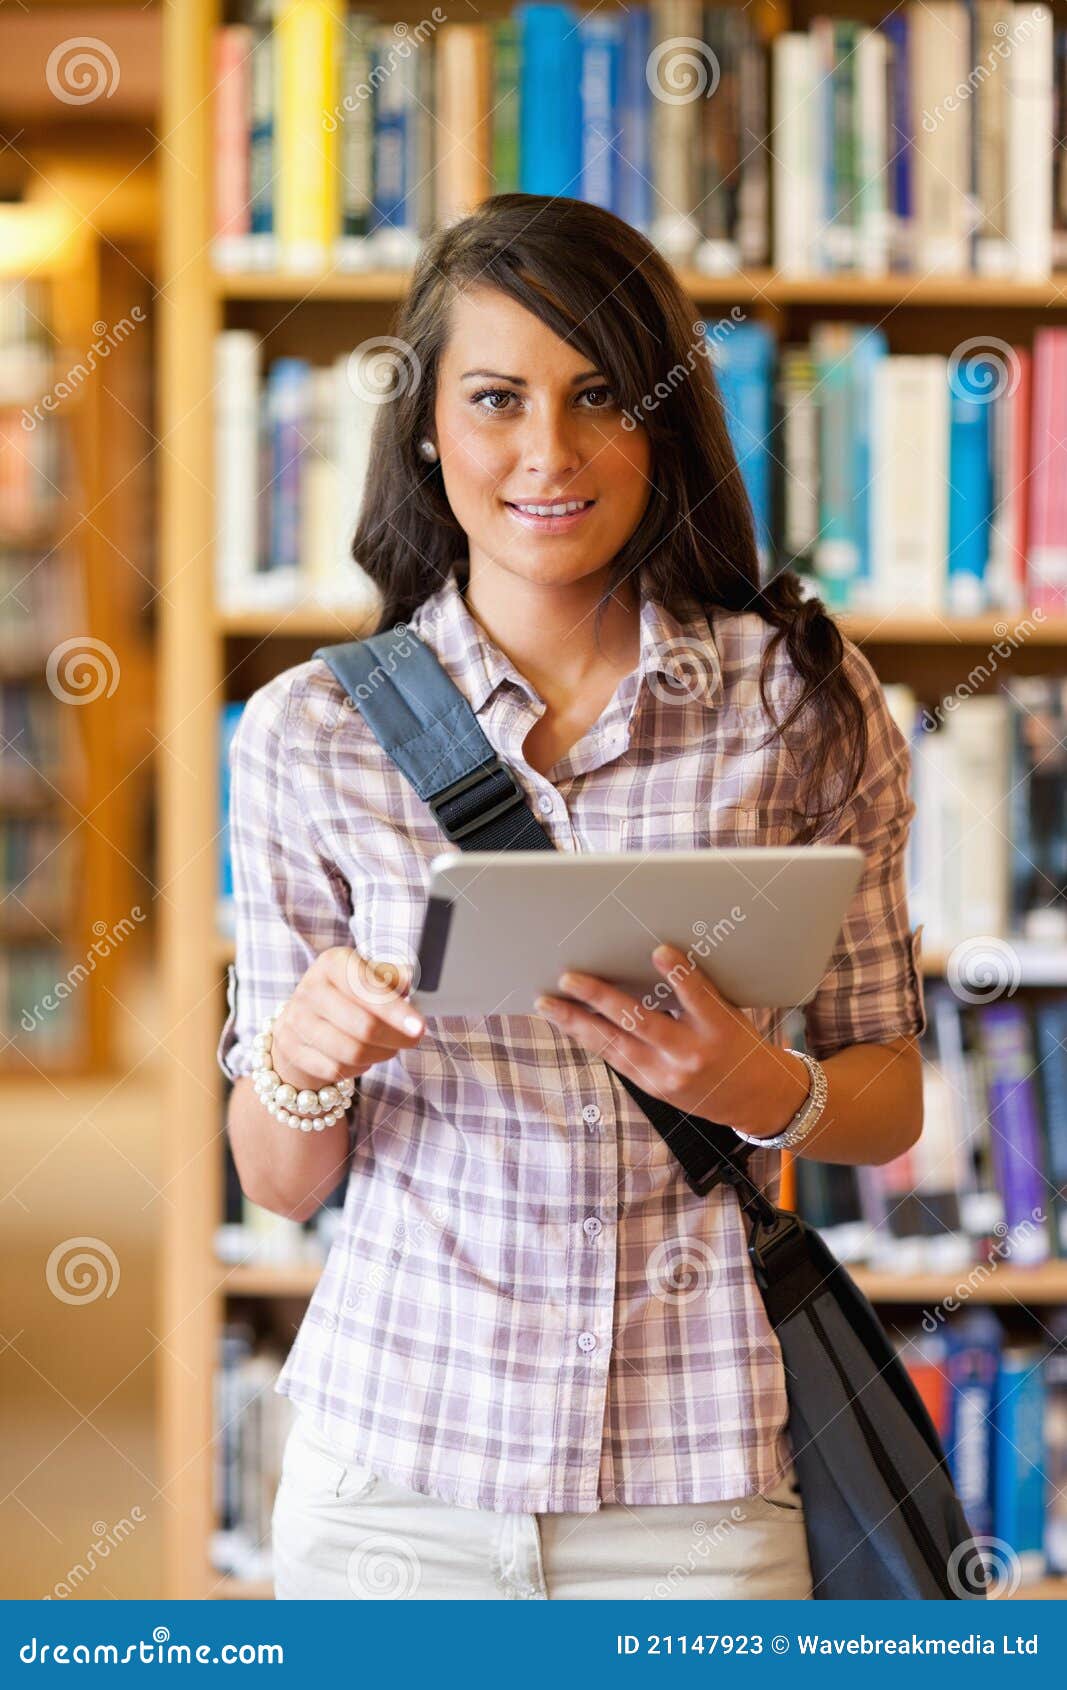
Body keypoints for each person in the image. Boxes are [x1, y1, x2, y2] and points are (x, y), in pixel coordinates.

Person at [216, 194, 926, 1600]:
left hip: (699, 1486)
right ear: (427, 426)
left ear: (662, 419)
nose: (549, 452)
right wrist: (299, 1063)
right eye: (496, 400)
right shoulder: (309, 731)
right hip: (393, 1487)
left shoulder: (796, 700)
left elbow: (891, 1094)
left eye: (600, 395)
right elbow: (278, 1180)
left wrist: (758, 1084)